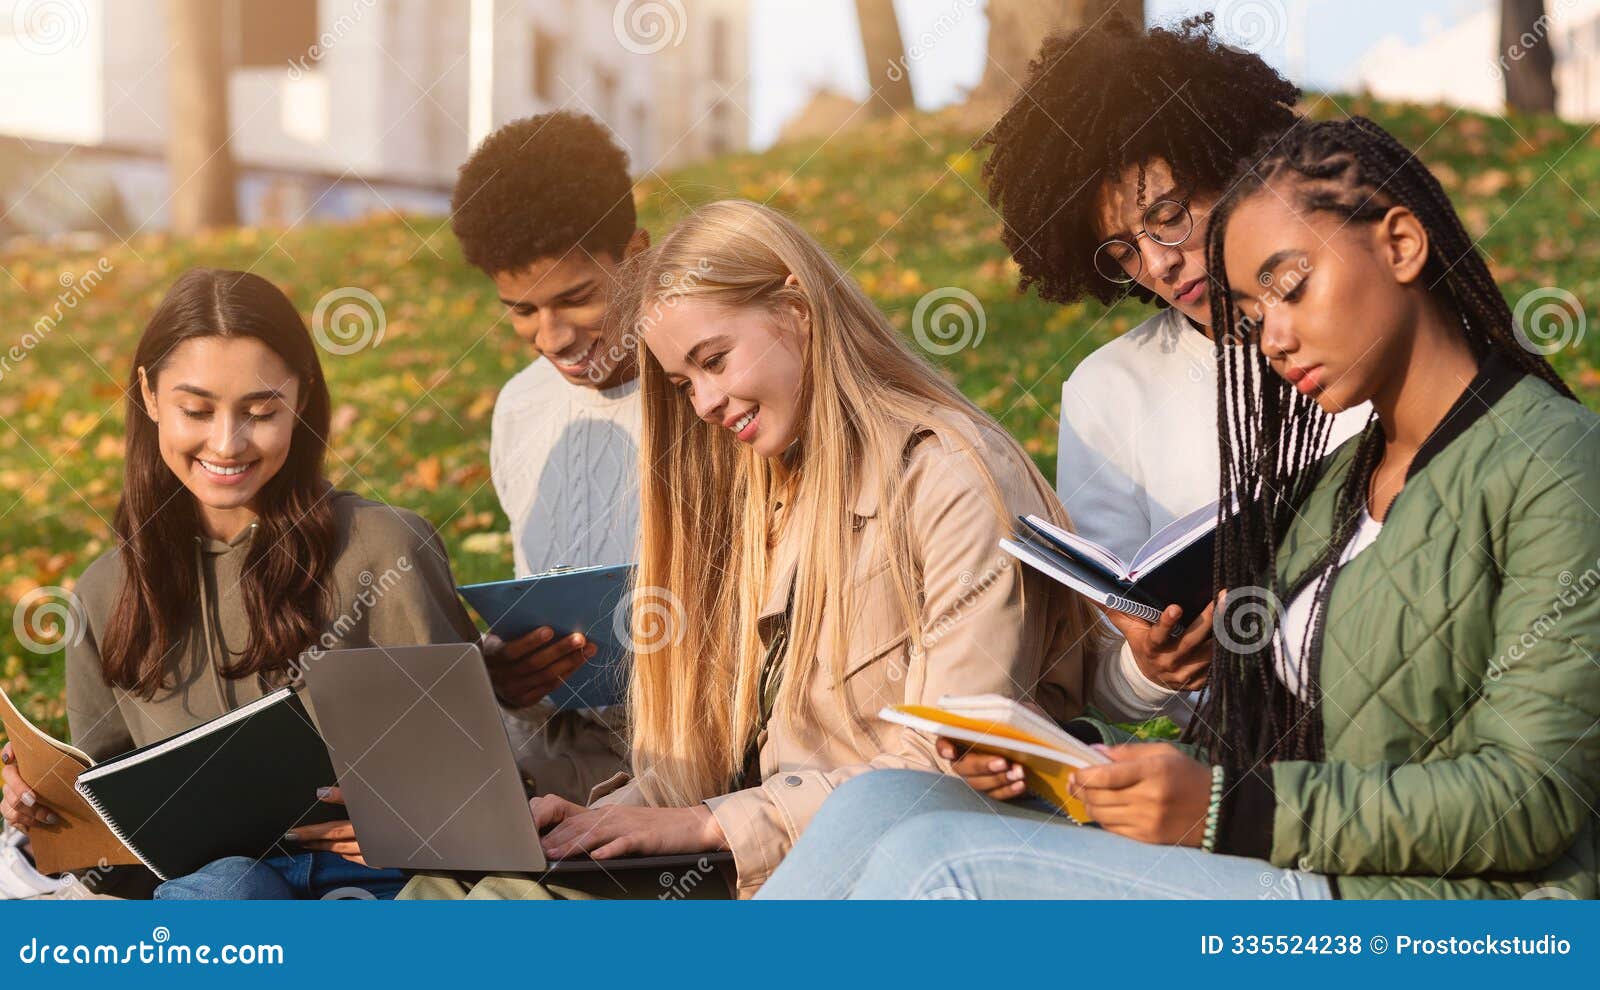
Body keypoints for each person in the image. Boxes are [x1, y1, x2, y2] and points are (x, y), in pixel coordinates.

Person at [757, 117, 1600, 900]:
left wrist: (1225, 808)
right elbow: (1286, 746)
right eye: (1255, 310)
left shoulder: (1552, 463)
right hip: (1294, 859)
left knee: (933, 866)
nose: (1269, 337)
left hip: (1442, 913)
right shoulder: (1341, 483)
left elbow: (1534, 797)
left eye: (1290, 287)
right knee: (885, 807)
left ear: (1403, 244)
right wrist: (1084, 769)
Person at [399, 200, 1101, 900]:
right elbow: (720, 742)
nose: (702, 402)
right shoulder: (755, 487)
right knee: (439, 889)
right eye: (683, 382)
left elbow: (944, 767)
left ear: (797, 309)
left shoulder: (946, 474)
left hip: (857, 865)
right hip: (746, 855)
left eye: (714, 361)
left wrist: (706, 827)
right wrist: (611, 818)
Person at [0, 268, 486, 899]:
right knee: (228, 893)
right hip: (217, 897)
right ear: (148, 395)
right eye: (196, 410)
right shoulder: (106, 592)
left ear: (301, 398)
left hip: (386, 882)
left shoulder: (385, 548)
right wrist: (47, 810)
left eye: (260, 411)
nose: (227, 444)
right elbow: (111, 824)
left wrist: (416, 824)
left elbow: (474, 781)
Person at [980, 14, 1365, 725]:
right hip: (1240, 760)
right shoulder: (1106, 391)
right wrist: (1151, 668)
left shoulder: (1356, 310)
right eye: (1123, 251)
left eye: (1168, 214)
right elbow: (1105, 674)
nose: (1158, 263)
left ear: (1231, 165)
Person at [447, 110, 651, 800]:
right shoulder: (521, 406)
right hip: (561, 744)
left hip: (695, 747)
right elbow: (535, 592)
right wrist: (510, 672)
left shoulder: (712, 392)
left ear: (639, 255)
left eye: (577, 298)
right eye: (521, 310)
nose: (551, 337)